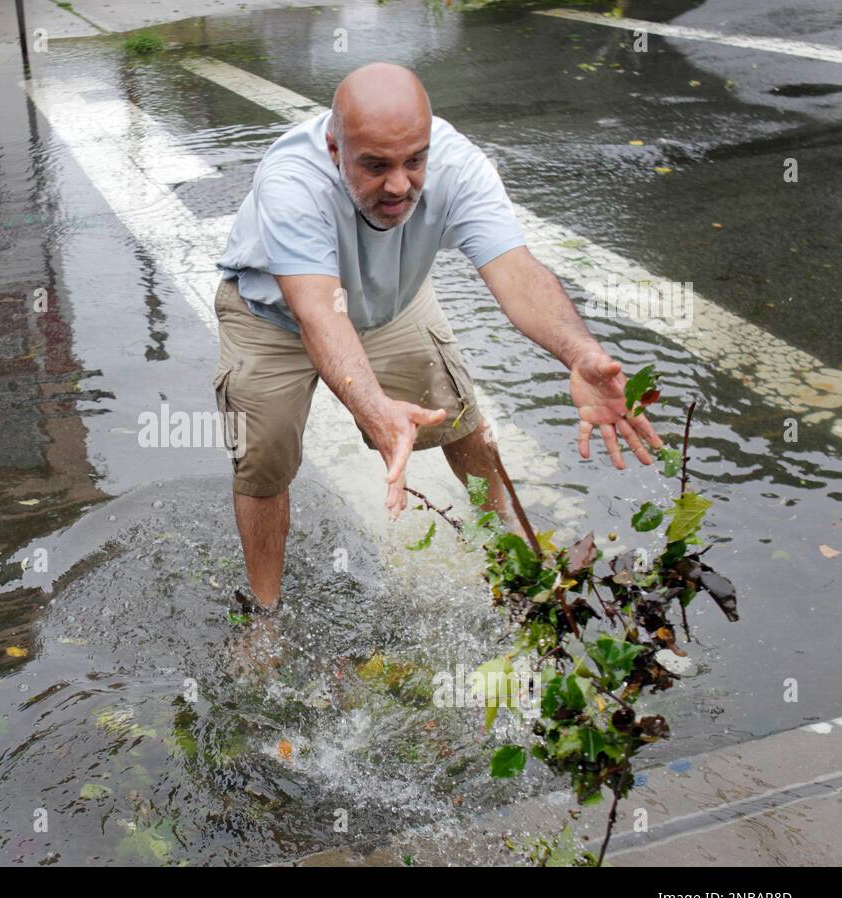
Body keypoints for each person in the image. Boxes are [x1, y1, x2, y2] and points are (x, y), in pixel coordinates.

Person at [213, 62, 662, 614]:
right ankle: (264, 611)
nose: (400, 185)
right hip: (273, 314)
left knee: (462, 421)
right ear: (334, 149)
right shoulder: (292, 180)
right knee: (263, 458)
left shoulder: (458, 163)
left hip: (393, 304)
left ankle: (511, 551)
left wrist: (582, 353)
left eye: (413, 161)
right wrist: (373, 404)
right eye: (375, 166)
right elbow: (319, 314)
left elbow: (516, 271)